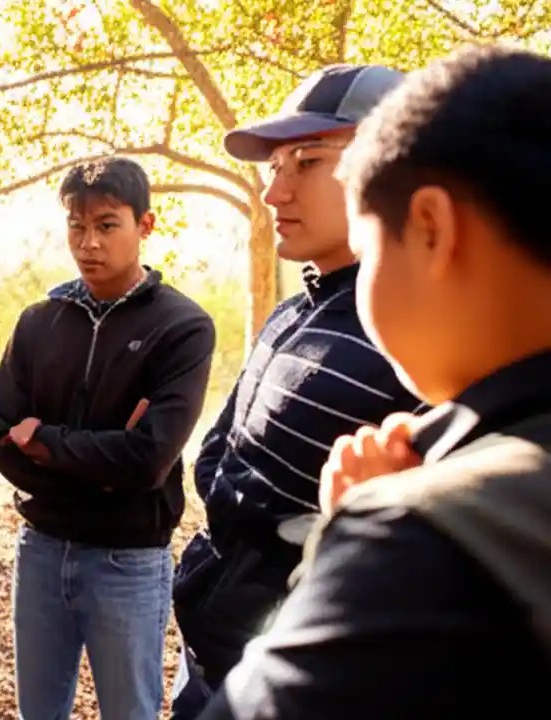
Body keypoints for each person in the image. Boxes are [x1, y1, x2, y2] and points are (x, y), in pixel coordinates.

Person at [199, 43, 551, 719]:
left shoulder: (421, 537)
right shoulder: (292, 312)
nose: (276, 193)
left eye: (369, 226)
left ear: (430, 228)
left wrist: (351, 531)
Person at [169, 63, 424, 718]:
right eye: (272, 167)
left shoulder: (422, 334)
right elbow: (220, 459)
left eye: (306, 162)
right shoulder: (290, 311)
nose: (273, 193)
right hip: (202, 668)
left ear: (393, 161)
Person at [0, 157, 215, 720]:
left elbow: (147, 461)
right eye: (76, 225)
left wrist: (48, 442)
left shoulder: (181, 327)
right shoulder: (39, 320)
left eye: (107, 225)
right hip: (40, 549)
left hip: (128, 560)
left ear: (146, 225)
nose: (88, 243)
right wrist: (103, 462)